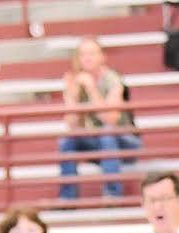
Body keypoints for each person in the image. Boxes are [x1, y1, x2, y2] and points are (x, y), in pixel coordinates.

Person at [58, 38, 139, 201]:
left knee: (107, 133)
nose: (87, 58)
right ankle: (67, 197)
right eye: (83, 54)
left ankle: (112, 194)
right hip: (94, 141)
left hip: (125, 140)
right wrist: (72, 95)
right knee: (67, 140)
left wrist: (91, 88)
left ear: (102, 57)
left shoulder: (113, 79)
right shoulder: (74, 81)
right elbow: (71, 124)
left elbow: (110, 120)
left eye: (92, 53)